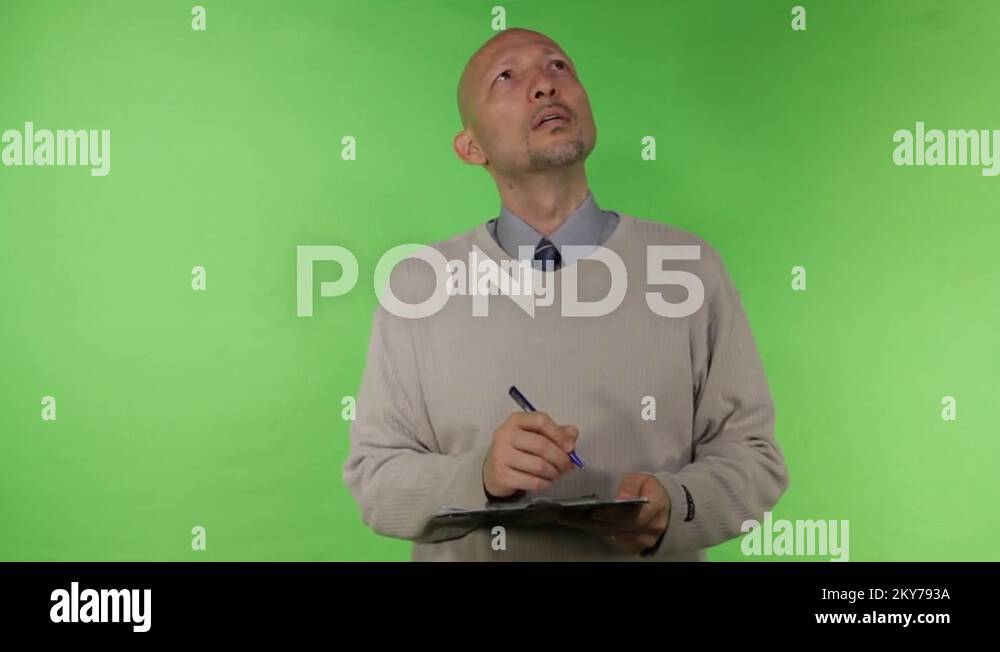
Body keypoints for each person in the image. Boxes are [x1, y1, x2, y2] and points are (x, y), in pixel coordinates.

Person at [342, 27, 789, 561]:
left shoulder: (689, 269)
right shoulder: (418, 285)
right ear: (471, 147)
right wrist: (479, 475)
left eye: (559, 67)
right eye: (507, 76)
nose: (544, 86)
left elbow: (755, 458)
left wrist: (677, 504)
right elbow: (375, 483)